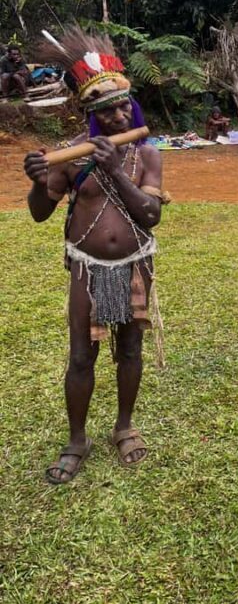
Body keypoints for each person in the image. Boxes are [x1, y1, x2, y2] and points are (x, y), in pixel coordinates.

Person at [23, 27, 169, 485]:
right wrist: (36, 179)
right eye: (108, 110)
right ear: (92, 115)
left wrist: (115, 170)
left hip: (133, 266)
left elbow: (150, 215)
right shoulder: (70, 157)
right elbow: (40, 213)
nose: (120, 114)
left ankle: (124, 426)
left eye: (124, 105)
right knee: (81, 356)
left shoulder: (146, 154)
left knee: (129, 349)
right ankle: (77, 439)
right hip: (87, 271)